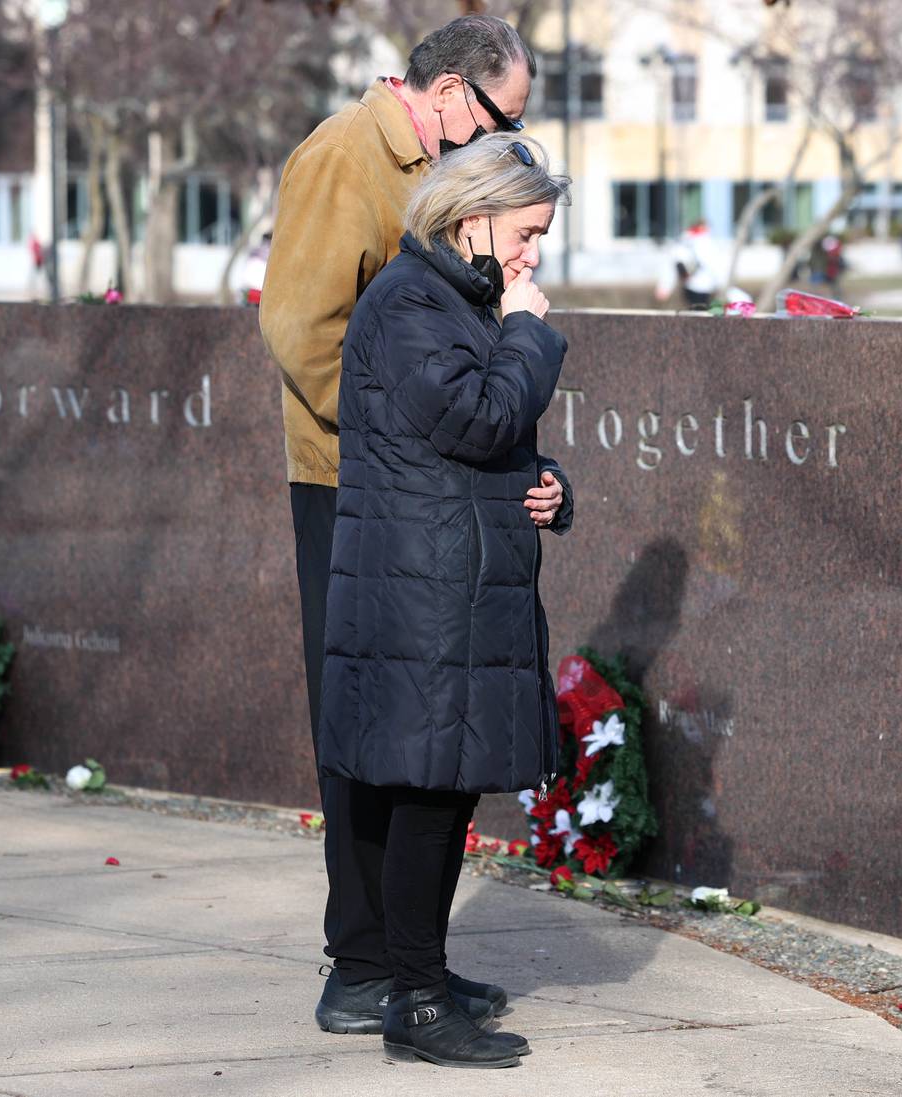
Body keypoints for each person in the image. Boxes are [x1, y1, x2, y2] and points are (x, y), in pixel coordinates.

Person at [258, 14, 572, 1044]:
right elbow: (300, 329)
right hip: (358, 481)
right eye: (497, 120)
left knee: (413, 736)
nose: (498, 139)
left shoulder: (441, 180)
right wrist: (406, 449)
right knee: (373, 731)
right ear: (447, 93)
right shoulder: (345, 154)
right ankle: (367, 965)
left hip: (424, 482)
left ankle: (403, 962)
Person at [322, 132, 572, 1068]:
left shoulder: (449, 298)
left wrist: (547, 482)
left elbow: (474, 442)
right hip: (423, 594)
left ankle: (419, 971)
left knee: (439, 790)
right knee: (428, 793)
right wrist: (527, 331)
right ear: (472, 221)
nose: (532, 255)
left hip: (443, 582)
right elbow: (477, 417)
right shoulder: (408, 302)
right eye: (524, 232)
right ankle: (417, 1000)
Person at [654, 219, 717, 308]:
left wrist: (665, 287)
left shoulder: (685, 240)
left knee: (698, 312)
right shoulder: (703, 242)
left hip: (694, 284)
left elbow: (673, 264)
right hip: (701, 285)